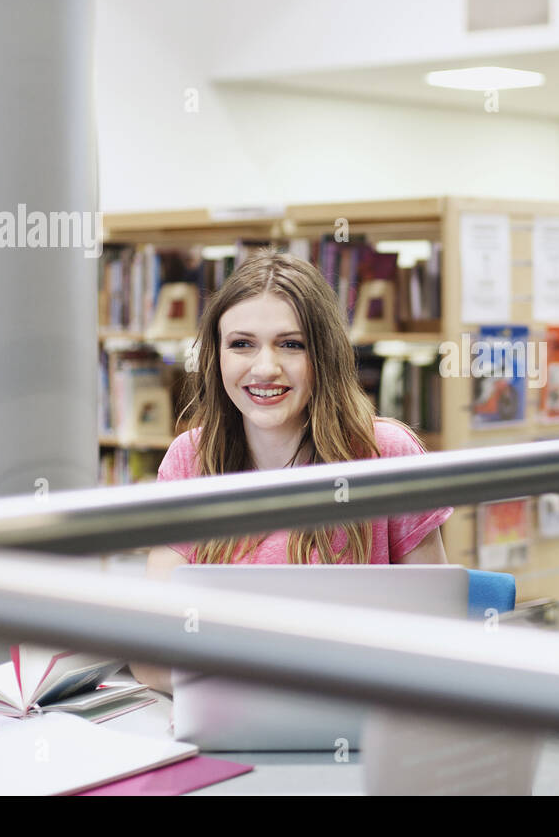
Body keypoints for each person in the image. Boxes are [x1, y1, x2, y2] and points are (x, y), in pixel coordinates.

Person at [129, 250, 452, 693]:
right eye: (242, 344)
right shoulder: (190, 459)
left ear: (325, 355)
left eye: (291, 344)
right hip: (226, 720)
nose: (265, 368)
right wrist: (239, 694)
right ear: (215, 355)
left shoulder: (388, 454)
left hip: (360, 719)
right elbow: (149, 653)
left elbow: (439, 637)